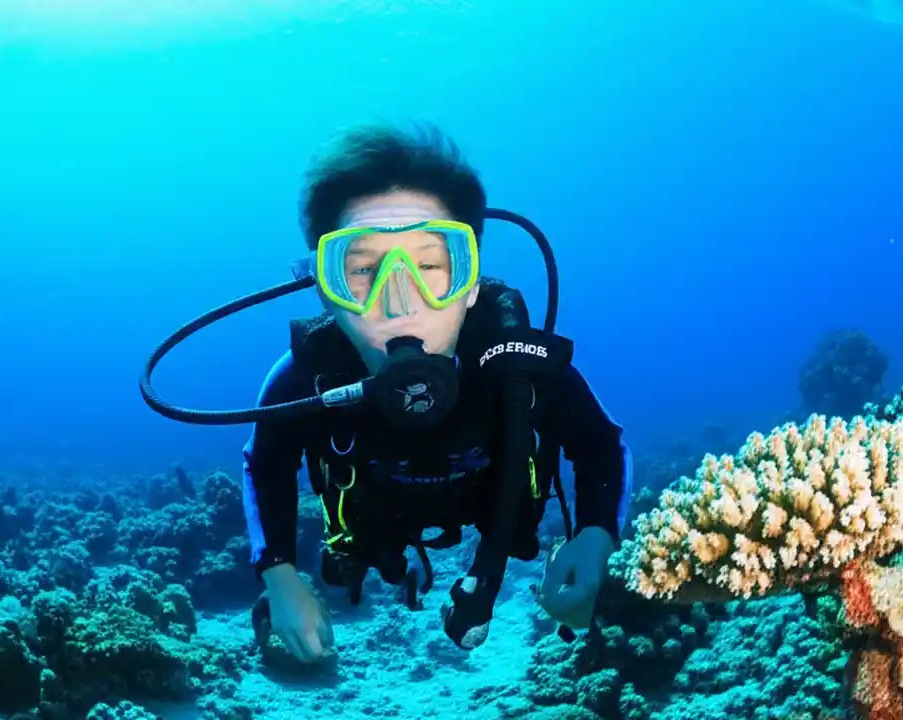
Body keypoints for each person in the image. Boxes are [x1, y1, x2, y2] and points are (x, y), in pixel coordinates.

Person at [238, 121, 633, 662]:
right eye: (361, 270)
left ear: (470, 282)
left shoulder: (519, 365)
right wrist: (279, 576)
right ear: (326, 293)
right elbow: (265, 466)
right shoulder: (304, 380)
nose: (401, 302)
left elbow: (600, 444)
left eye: (429, 265)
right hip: (373, 528)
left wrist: (595, 536)